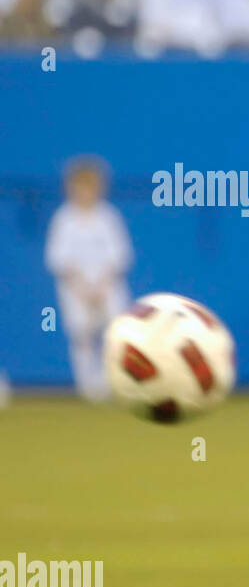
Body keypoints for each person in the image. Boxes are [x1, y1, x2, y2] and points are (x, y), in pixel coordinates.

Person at [45, 156, 133, 402]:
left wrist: (102, 285)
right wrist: (82, 286)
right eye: (79, 186)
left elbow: (120, 256)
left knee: (115, 335)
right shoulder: (64, 219)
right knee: (81, 334)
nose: (85, 192)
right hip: (75, 290)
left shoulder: (108, 217)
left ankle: (114, 383)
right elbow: (58, 259)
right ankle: (89, 386)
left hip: (108, 288)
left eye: (90, 186)